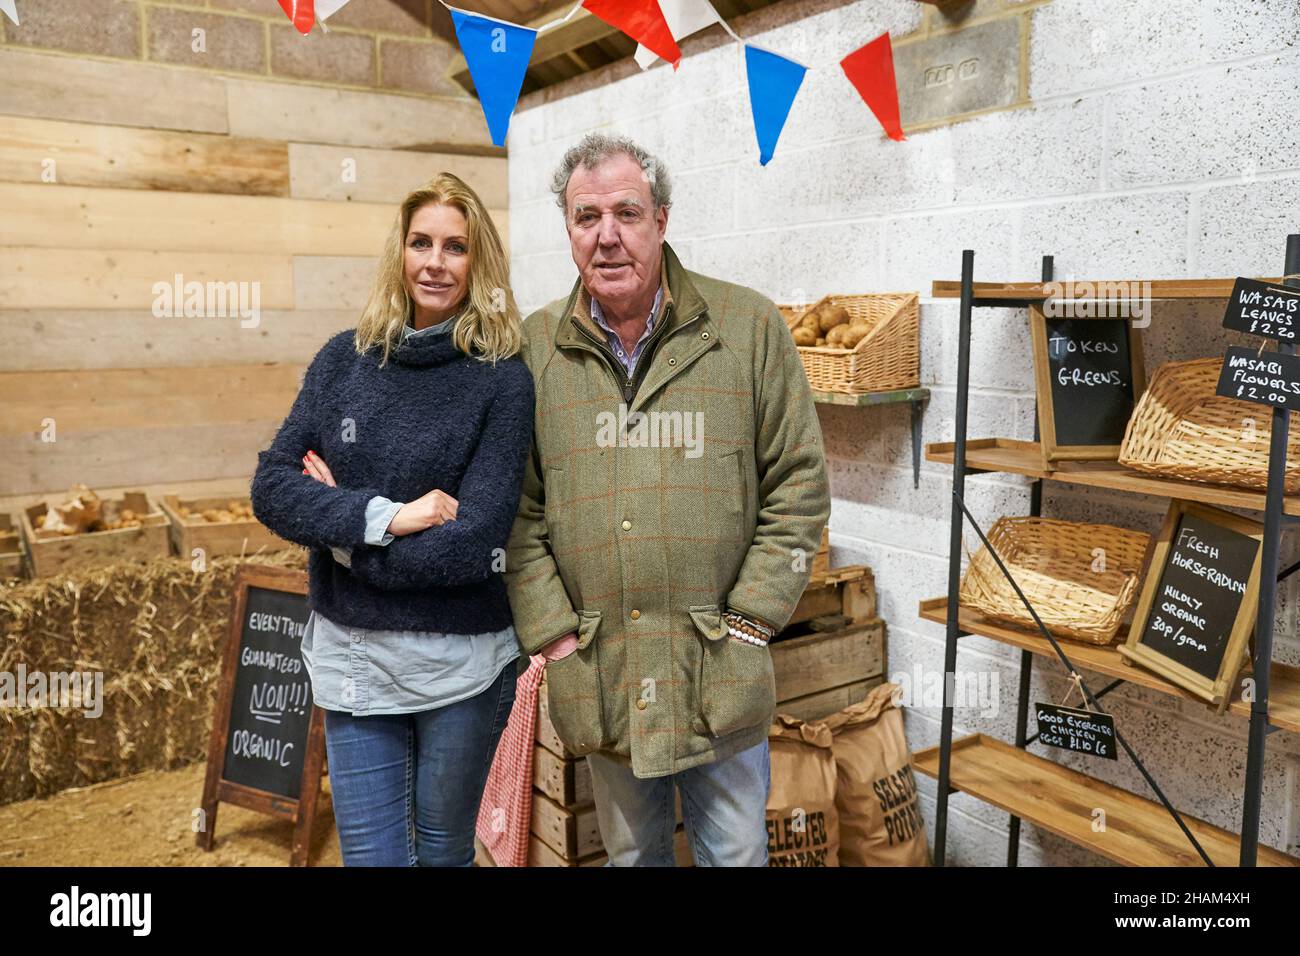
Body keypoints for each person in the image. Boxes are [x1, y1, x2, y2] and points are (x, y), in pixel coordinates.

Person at [504, 133, 830, 866]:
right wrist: (557, 635)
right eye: (587, 217)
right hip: (603, 666)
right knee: (631, 859)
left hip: (720, 665)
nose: (608, 235)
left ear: (663, 218)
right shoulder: (535, 349)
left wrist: (750, 621)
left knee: (737, 857)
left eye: (627, 212)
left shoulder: (745, 329)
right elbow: (517, 512)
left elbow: (800, 486)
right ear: (567, 228)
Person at [250, 173, 534, 867]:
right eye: (421, 242)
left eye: (456, 247)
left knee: (443, 854)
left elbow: (473, 547)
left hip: (463, 661)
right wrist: (386, 517)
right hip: (354, 657)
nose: (435, 262)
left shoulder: (502, 378)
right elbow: (272, 487)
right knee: (375, 858)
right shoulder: (342, 362)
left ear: (480, 265)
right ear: (399, 253)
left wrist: (340, 541)